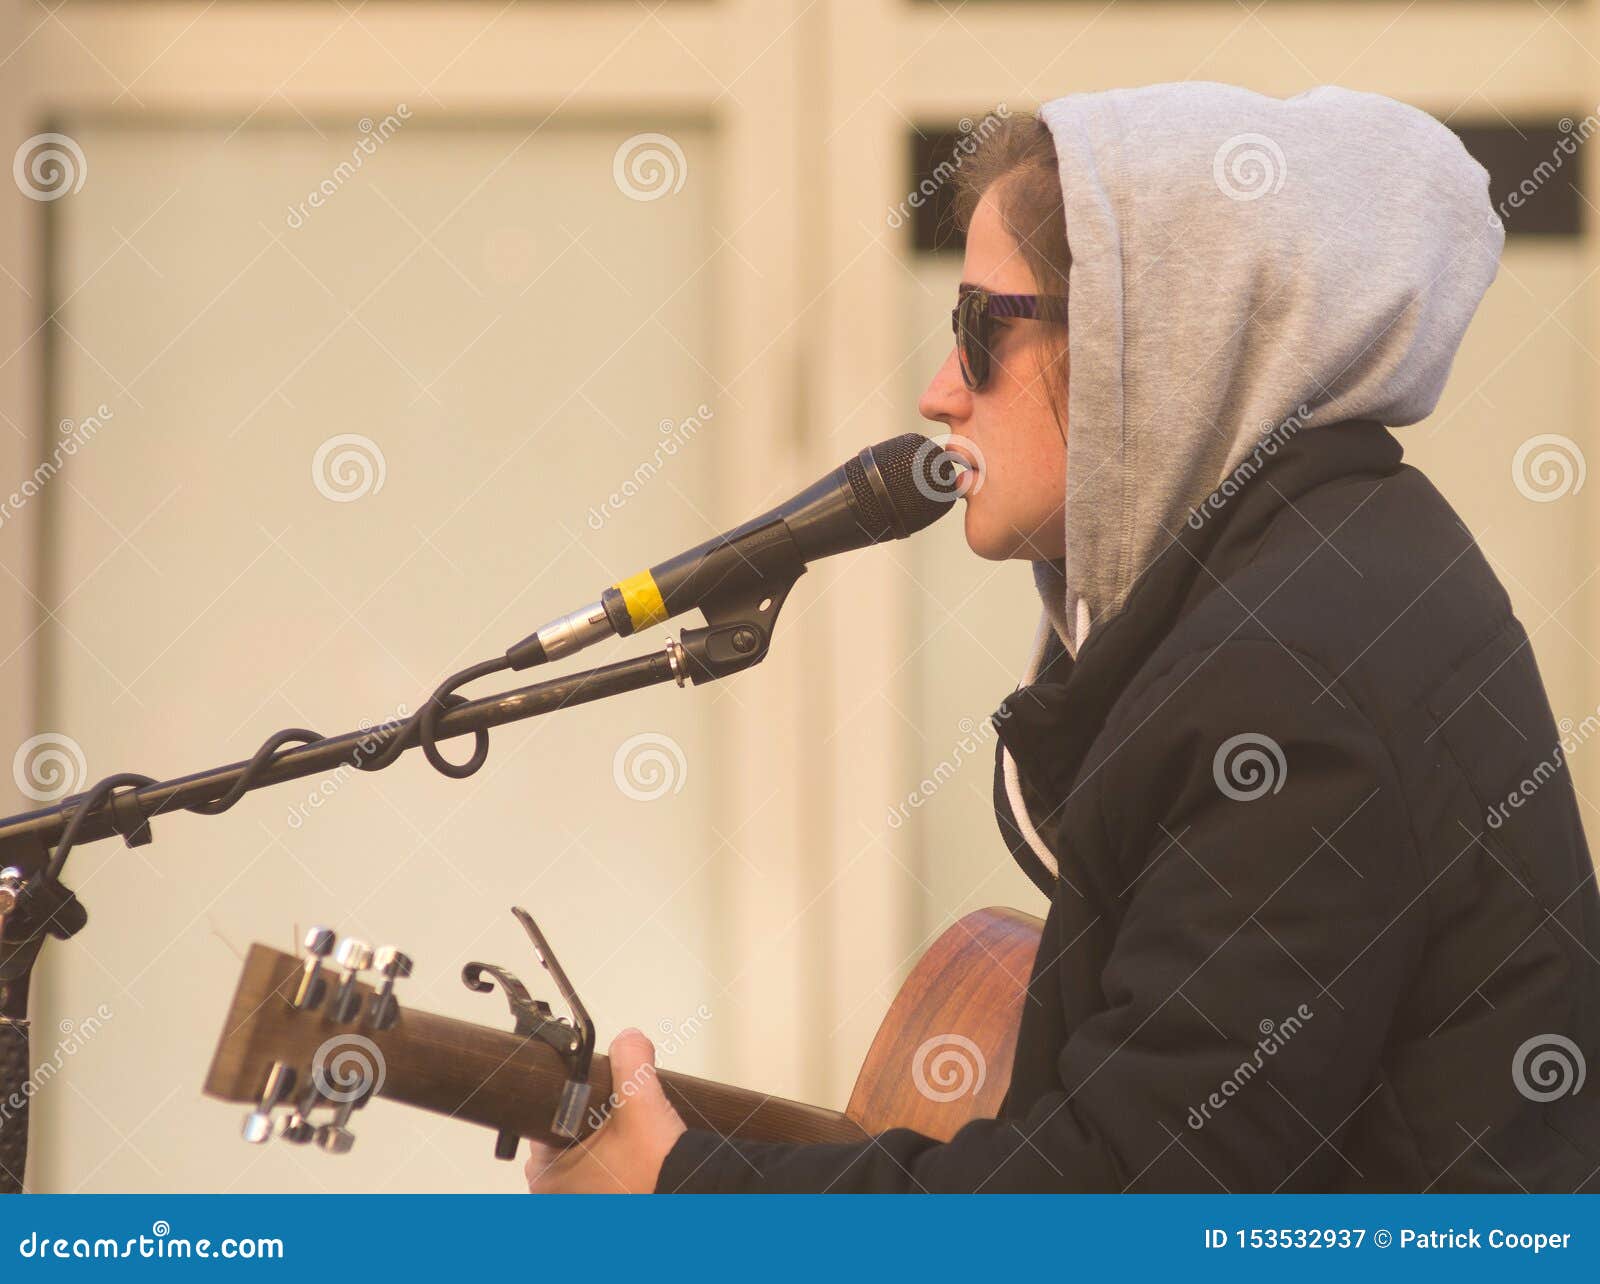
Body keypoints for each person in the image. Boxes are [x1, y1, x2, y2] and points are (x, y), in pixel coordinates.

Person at [526, 81, 1600, 1193]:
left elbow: (1123, 1200)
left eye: (979, 329)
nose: (939, 393)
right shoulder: (1333, 572)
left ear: (1152, 338)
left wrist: (679, 1193)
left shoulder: (1285, 677)